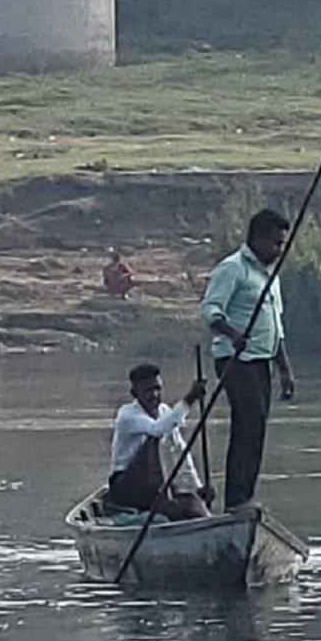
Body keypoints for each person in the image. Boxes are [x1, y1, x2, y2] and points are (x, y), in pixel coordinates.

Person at [200, 208, 296, 511]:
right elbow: (210, 310)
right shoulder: (233, 268)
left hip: (262, 361)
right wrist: (232, 333)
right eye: (275, 243)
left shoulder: (270, 278)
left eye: (283, 244)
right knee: (248, 424)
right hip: (235, 359)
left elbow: (275, 327)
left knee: (257, 429)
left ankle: (245, 496)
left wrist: (285, 370)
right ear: (257, 238)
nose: (279, 250)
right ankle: (237, 501)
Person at [107, 363, 212, 520]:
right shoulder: (127, 415)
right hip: (125, 486)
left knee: (192, 505)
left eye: (158, 389)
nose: (155, 395)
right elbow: (157, 429)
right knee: (153, 441)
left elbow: (180, 452)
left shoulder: (165, 412)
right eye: (149, 391)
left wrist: (196, 487)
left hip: (153, 486)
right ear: (135, 393)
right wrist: (189, 400)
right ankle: (162, 502)